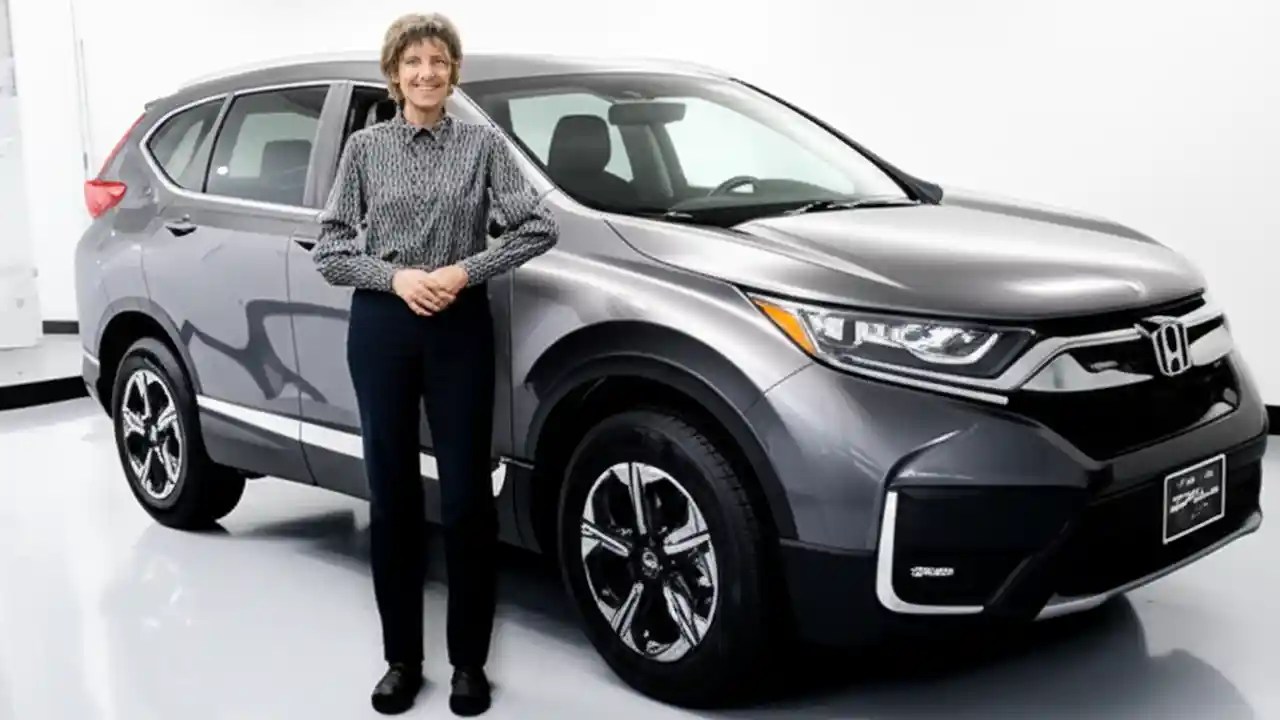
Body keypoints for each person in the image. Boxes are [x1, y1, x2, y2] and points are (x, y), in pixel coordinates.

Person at [310, 12, 559, 717]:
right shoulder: (365, 149)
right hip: (383, 327)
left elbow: (539, 225)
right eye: (414, 62)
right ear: (394, 74)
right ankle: (401, 661)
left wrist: (463, 270)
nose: (426, 73)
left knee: (467, 501)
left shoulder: (483, 145)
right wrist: (395, 278)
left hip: (459, 327)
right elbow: (330, 249)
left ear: (454, 72)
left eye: (438, 61)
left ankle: (469, 665)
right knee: (391, 496)